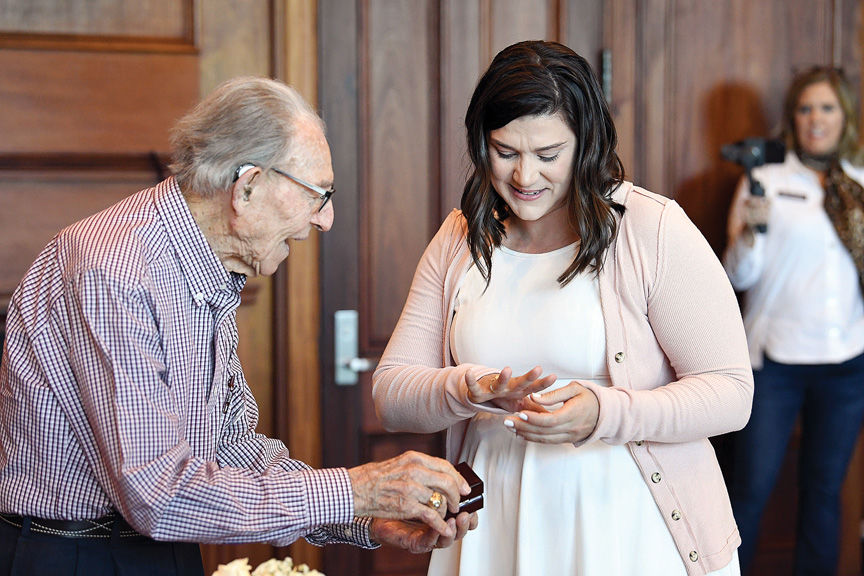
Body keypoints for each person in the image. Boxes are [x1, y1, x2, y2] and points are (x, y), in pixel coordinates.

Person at [0, 76, 477, 576]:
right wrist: (356, 489)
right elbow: (157, 495)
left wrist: (365, 516)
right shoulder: (115, 268)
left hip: (159, 549)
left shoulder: (204, 263)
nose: (327, 219)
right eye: (319, 194)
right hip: (77, 558)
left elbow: (231, 447)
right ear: (246, 187)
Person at [372, 40, 753, 576]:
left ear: (586, 144)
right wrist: (467, 388)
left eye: (548, 155)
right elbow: (392, 394)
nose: (525, 177)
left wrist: (605, 412)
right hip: (496, 522)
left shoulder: (651, 228)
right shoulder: (460, 238)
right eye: (506, 152)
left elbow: (732, 394)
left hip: (628, 524)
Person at [723, 66, 864, 576]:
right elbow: (736, 276)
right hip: (774, 363)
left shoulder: (860, 183)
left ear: (844, 116)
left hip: (847, 364)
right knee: (751, 490)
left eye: (826, 107)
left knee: (825, 494)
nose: (815, 119)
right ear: (793, 118)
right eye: (805, 108)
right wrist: (751, 233)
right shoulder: (765, 179)